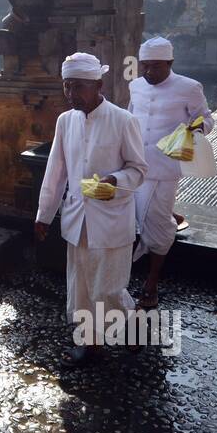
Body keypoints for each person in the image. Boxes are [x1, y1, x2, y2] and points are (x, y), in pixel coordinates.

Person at [35, 52, 148, 365]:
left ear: (98, 84)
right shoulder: (64, 121)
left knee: (109, 288)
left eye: (79, 87)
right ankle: (91, 342)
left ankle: (133, 323)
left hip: (112, 218)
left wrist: (116, 179)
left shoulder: (123, 120)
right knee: (82, 284)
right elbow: (56, 171)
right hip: (77, 217)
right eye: (67, 87)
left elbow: (139, 169)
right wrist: (44, 214)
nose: (72, 95)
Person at [127, 36, 214, 308]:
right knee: (136, 213)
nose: (149, 72)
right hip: (135, 162)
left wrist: (196, 129)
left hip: (166, 165)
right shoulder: (136, 86)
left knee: (156, 223)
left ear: (170, 63)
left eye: (156, 66)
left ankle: (151, 282)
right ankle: (170, 217)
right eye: (145, 66)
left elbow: (207, 118)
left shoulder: (188, 87)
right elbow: (129, 118)